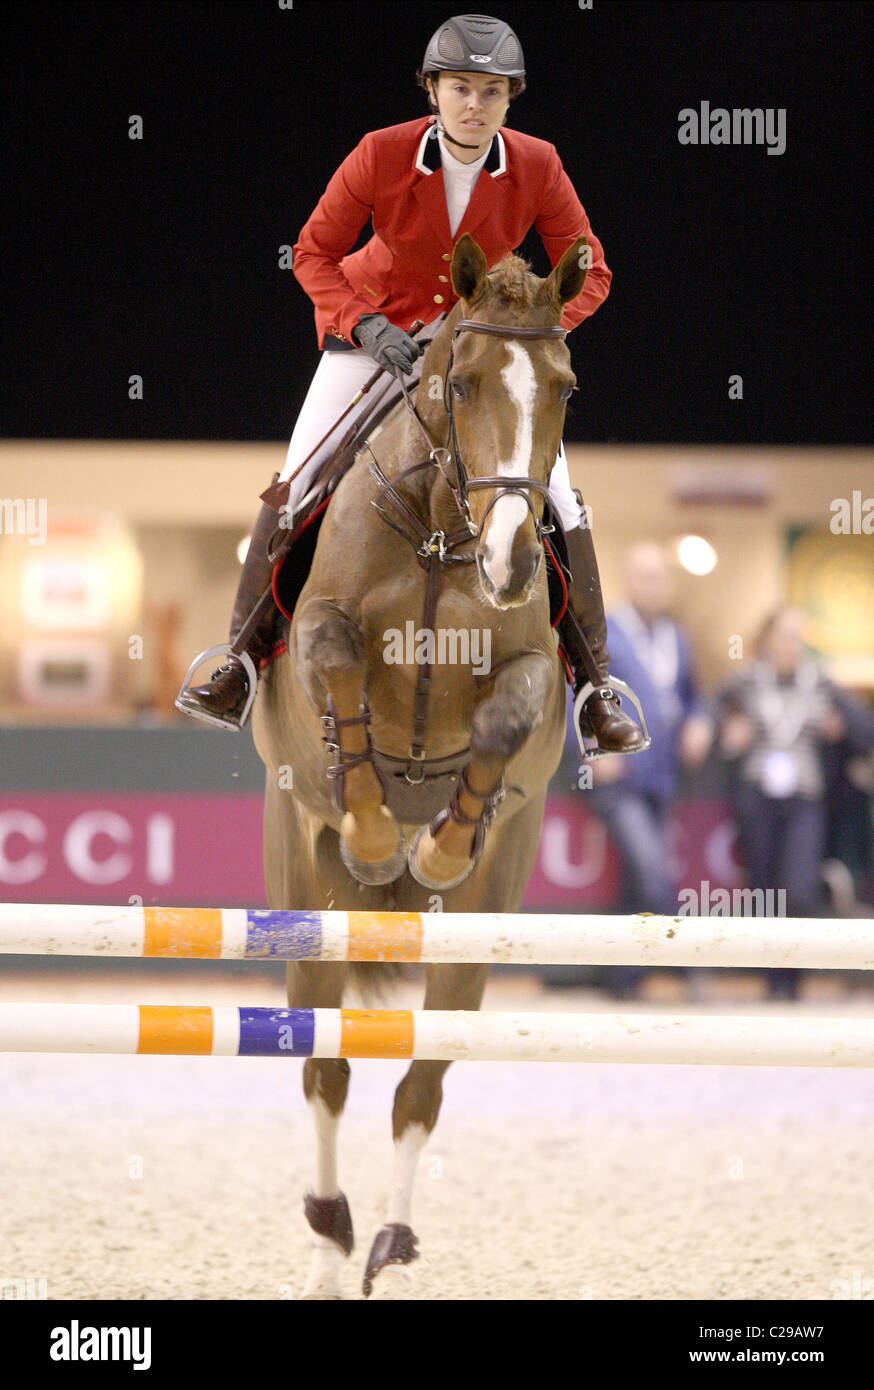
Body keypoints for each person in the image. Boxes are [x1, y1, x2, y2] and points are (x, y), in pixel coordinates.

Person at [176, 14, 644, 758]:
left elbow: (593, 272)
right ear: (433, 89)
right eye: (461, 88)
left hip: (479, 357)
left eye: (492, 92)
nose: (475, 105)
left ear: (508, 100)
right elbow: (314, 252)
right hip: (375, 339)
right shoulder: (381, 153)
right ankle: (235, 660)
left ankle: (596, 689)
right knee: (294, 485)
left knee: (556, 498)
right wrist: (363, 326)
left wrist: (522, 340)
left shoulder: (538, 164)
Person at [709, 605, 874, 999]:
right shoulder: (744, 680)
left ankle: (796, 975)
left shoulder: (822, 682)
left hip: (805, 798)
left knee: (800, 887)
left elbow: (865, 729)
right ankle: (774, 983)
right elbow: (706, 712)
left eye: (799, 637)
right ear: (766, 639)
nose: (792, 645)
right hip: (757, 795)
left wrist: (842, 727)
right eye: (785, 636)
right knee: (764, 889)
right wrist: (721, 733)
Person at [582, 543, 711, 996]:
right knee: (652, 869)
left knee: (636, 880)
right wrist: (593, 751)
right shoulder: (606, 631)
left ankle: (619, 979)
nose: (653, 586)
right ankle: (687, 967)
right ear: (629, 579)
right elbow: (579, 695)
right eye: (644, 577)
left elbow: (692, 697)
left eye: (660, 577)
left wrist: (700, 722)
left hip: (662, 777)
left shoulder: (677, 637)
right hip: (621, 779)